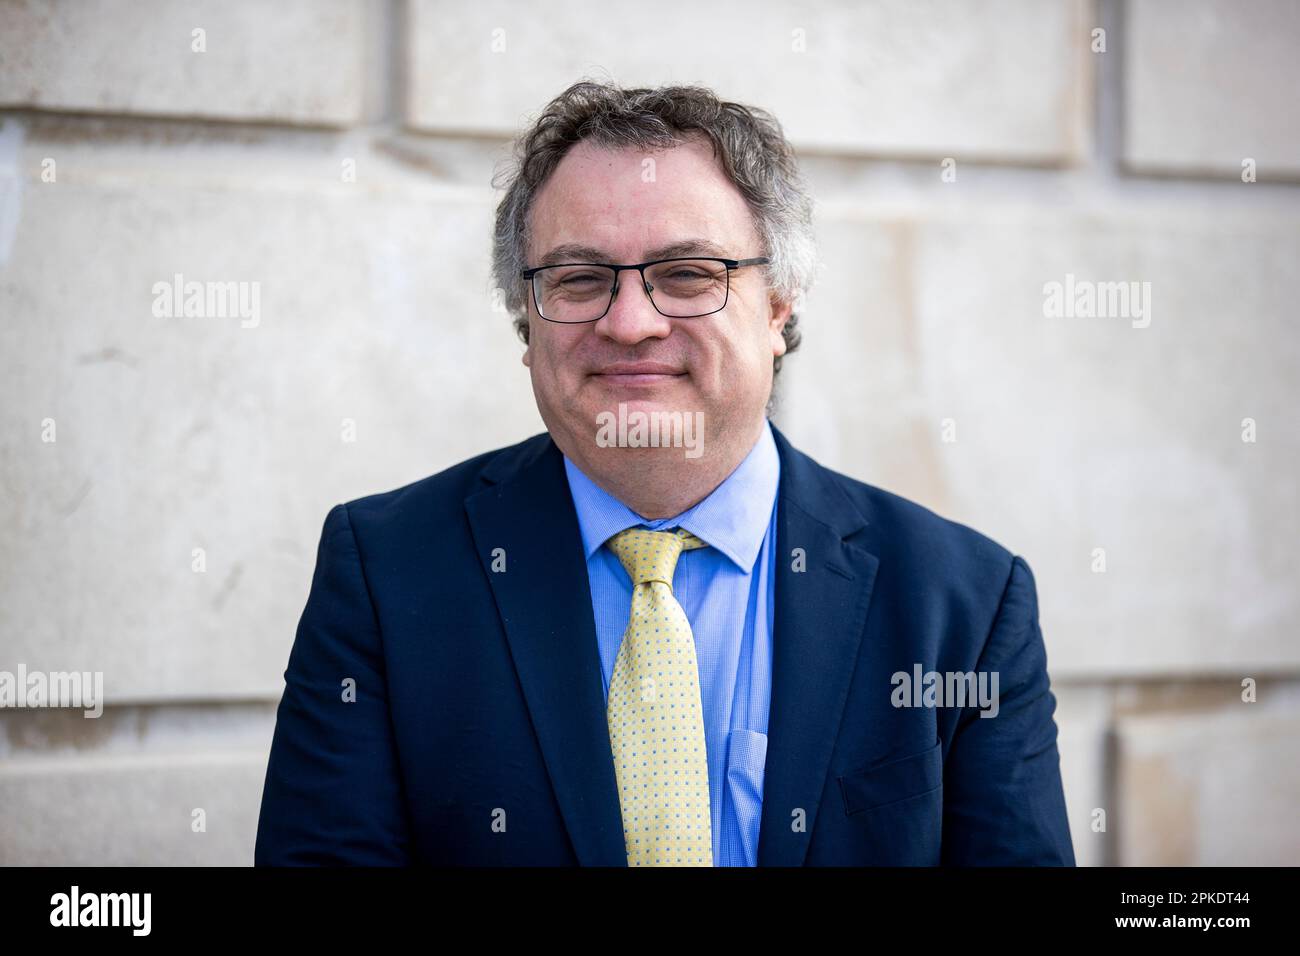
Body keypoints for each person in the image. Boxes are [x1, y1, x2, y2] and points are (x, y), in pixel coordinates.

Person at [254, 81, 1075, 867]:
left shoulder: (962, 603)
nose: (633, 323)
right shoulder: (389, 573)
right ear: (524, 319)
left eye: (687, 275)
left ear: (779, 306)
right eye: (579, 279)